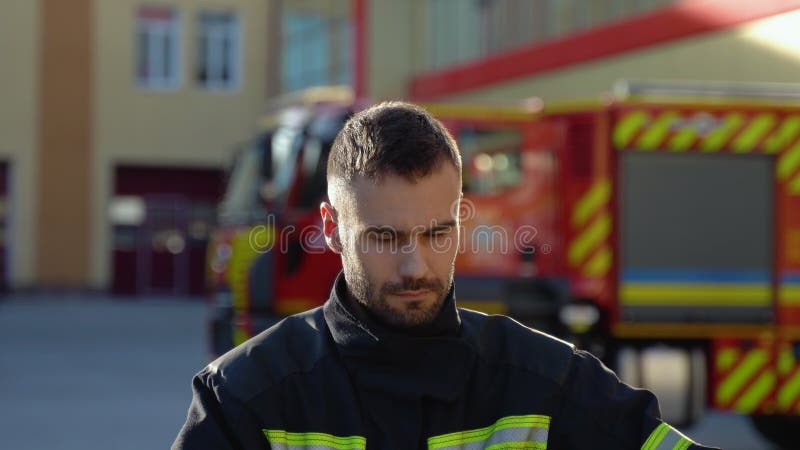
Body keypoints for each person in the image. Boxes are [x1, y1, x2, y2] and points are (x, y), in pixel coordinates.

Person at [172, 102, 717, 450]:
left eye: (436, 234)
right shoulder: (245, 396)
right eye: (384, 238)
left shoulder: (545, 381)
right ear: (332, 229)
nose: (415, 266)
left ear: (460, 219)